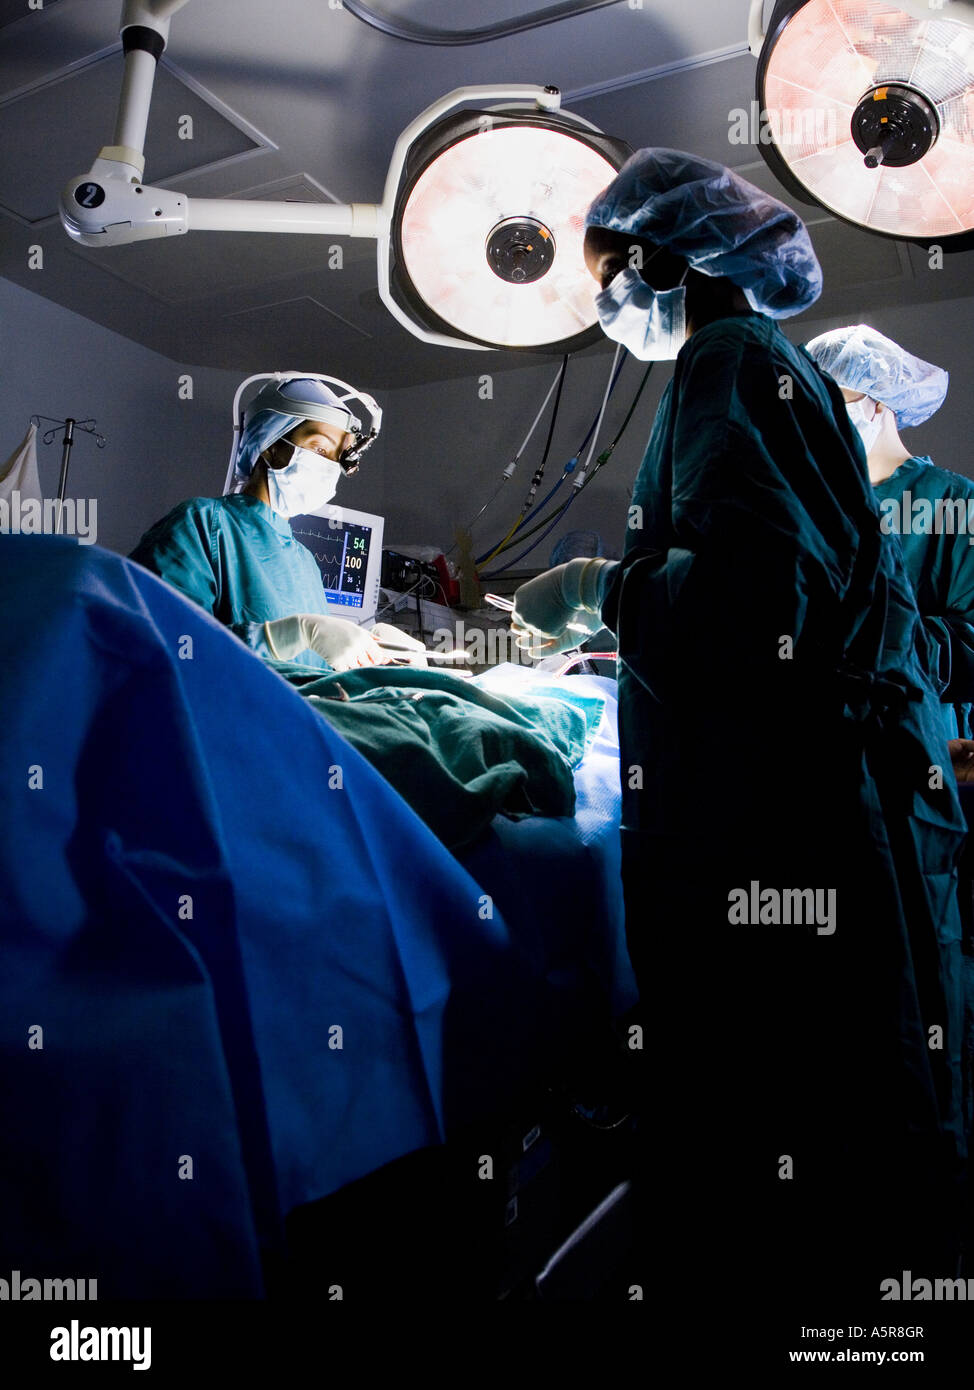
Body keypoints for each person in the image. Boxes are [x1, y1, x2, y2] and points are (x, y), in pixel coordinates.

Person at [511, 149, 968, 1321]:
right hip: (805, 794)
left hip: (785, 815)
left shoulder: (727, 358)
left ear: (664, 259)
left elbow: (753, 608)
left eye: (609, 272)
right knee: (848, 1102)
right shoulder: (747, 367)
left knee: (807, 1119)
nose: (605, 300)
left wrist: (597, 594)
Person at [130, 375, 418, 671]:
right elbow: (157, 646)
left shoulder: (305, 563)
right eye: (319, 449)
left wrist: (373, 653)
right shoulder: (201, 524)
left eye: (336, 458)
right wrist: (282, 637)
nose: (329, 468)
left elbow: (311, 671)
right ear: (269, 444)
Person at [806, 324, 974, 738]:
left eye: (832, 404)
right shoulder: (811, 506)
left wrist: (873, 638)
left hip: (922, 735)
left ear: (877, 403)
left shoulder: (952, 501)